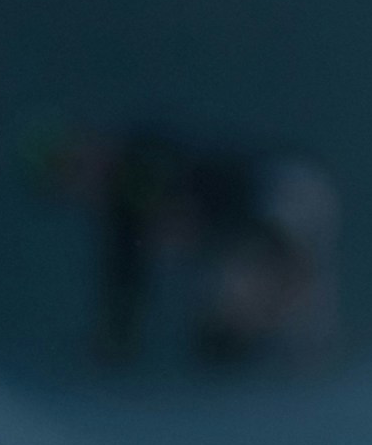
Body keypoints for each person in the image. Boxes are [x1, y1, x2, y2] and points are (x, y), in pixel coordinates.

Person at [25, 126, 339, 371]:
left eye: (77, 164)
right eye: (69, 180)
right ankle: (286, 345)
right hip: (254, 224)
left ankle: (308, 341)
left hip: (281, 188)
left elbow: (186, 197)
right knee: (226, 315)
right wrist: (112, 344)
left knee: (247, 284)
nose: (84, 180)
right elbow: (125, 287)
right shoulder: (123, 222)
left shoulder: (144, 153)